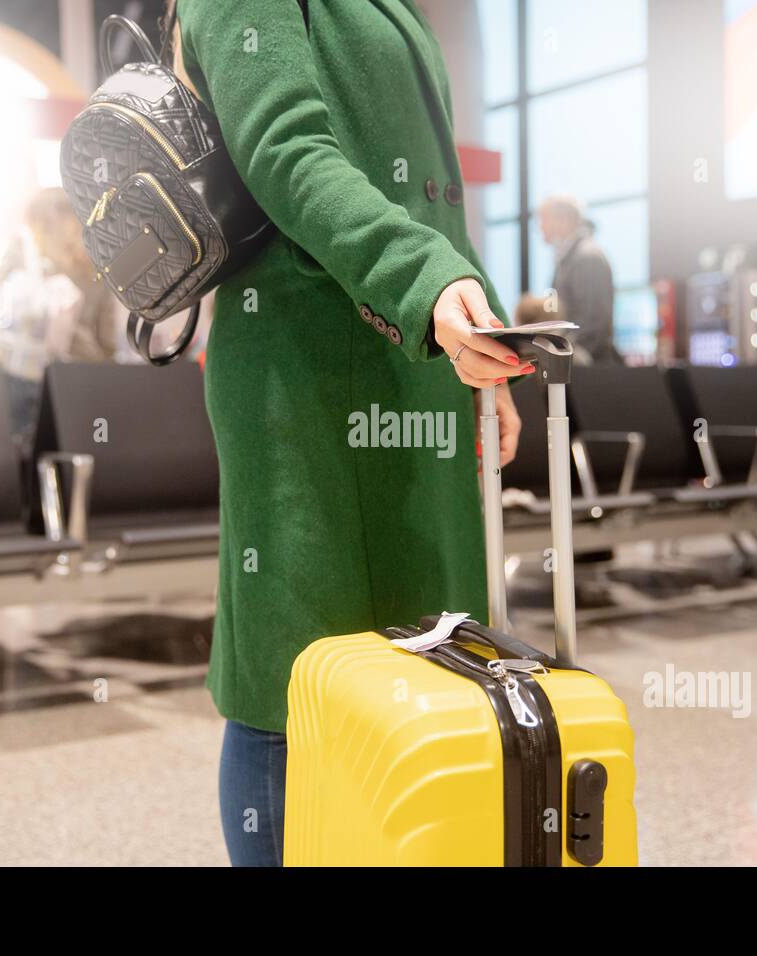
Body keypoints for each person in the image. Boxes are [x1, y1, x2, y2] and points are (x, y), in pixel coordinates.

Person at [170, 0, 529, 866]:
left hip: (418, 352)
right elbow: (285, 152)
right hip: (308, 374)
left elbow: (438, 203)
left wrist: (493, 337)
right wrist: (425, 280)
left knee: (429, 652)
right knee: (295, 669)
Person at [0, 188, 123, 441]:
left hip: (14, 375)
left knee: (11, 456)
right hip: (76, 379)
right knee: (70, 453)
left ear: (37, 221)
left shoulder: (21, 249)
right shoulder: (99, 264)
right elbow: (106, 341)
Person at [537, 195, 620, 364]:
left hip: (590, 371)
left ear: (564, 220)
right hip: (575, 365)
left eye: (544, 219)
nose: (540, 227)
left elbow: (594, 322)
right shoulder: (565, 259)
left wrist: (561, 354)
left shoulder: (588, 257)